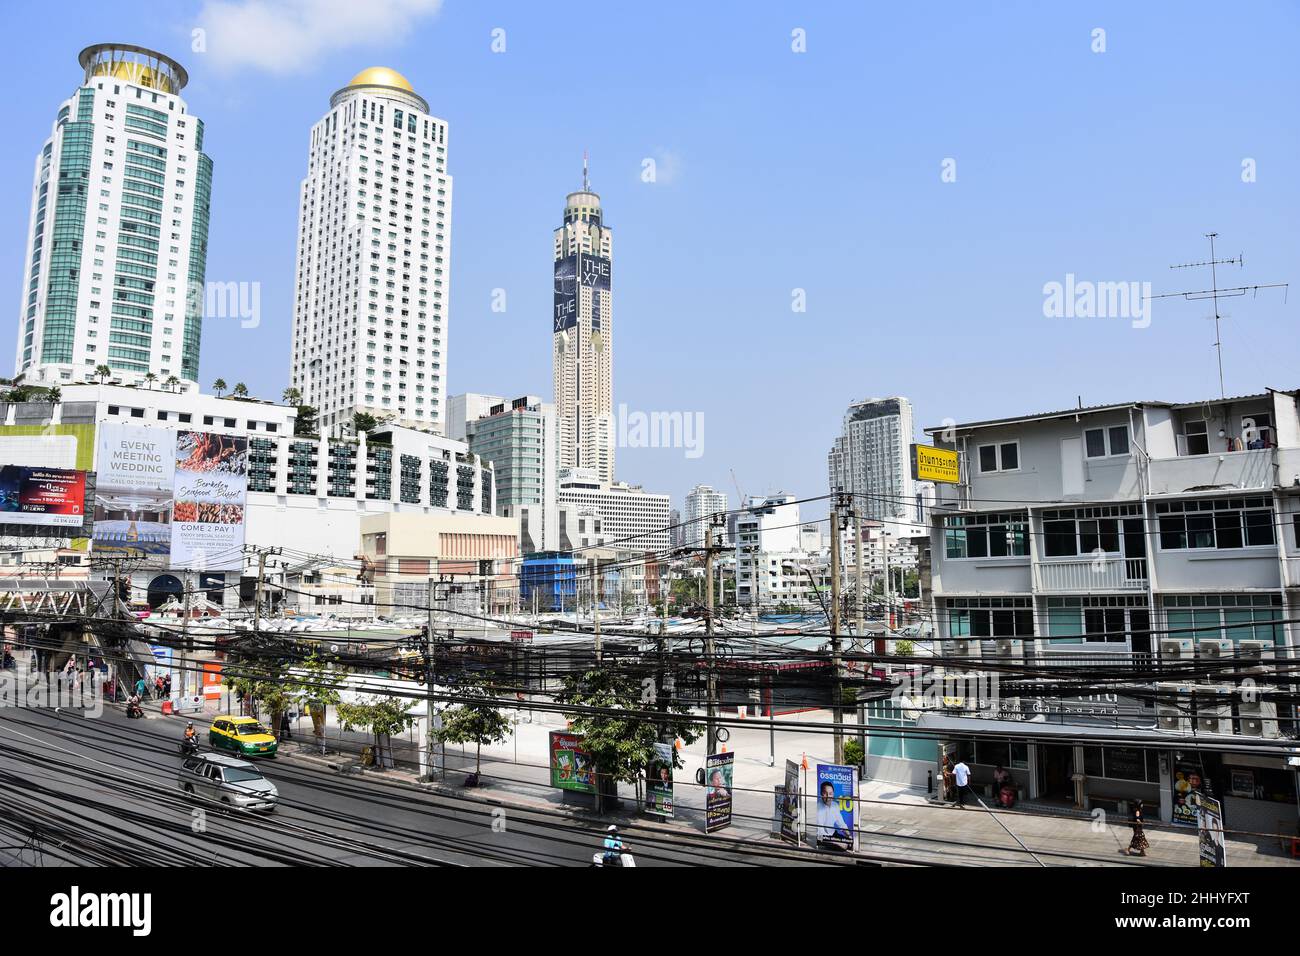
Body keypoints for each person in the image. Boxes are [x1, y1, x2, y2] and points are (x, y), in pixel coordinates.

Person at [816, 781, 851, 847]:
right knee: (843, 846)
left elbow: (841, 823)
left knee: (850, 843)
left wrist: (849, 836)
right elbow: (820, 832)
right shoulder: (818, 808)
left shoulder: (835, 805)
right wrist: (835, 842)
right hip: (822, 837)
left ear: (833, 794)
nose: (828, 796)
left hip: (833, 834)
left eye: (830, 793)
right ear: (821, 793)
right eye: (825, 793)